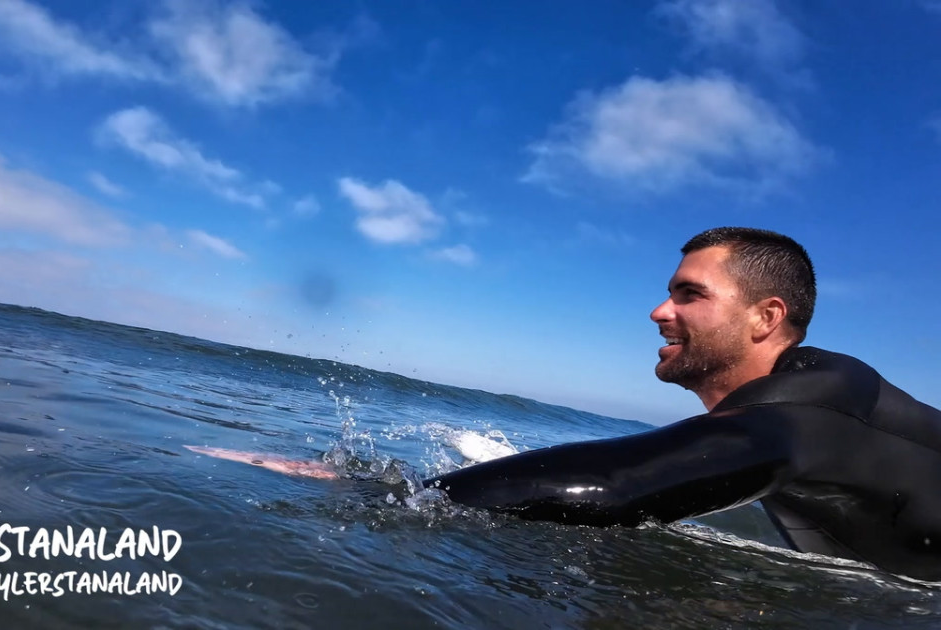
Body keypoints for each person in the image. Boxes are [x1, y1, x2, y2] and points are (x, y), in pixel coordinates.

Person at [189, 227, 941, 581]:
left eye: (688, 294)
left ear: (765, 317)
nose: (657, 311)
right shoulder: (798, 410)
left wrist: (386, 496)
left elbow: (617, 485)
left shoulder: (815, 407)